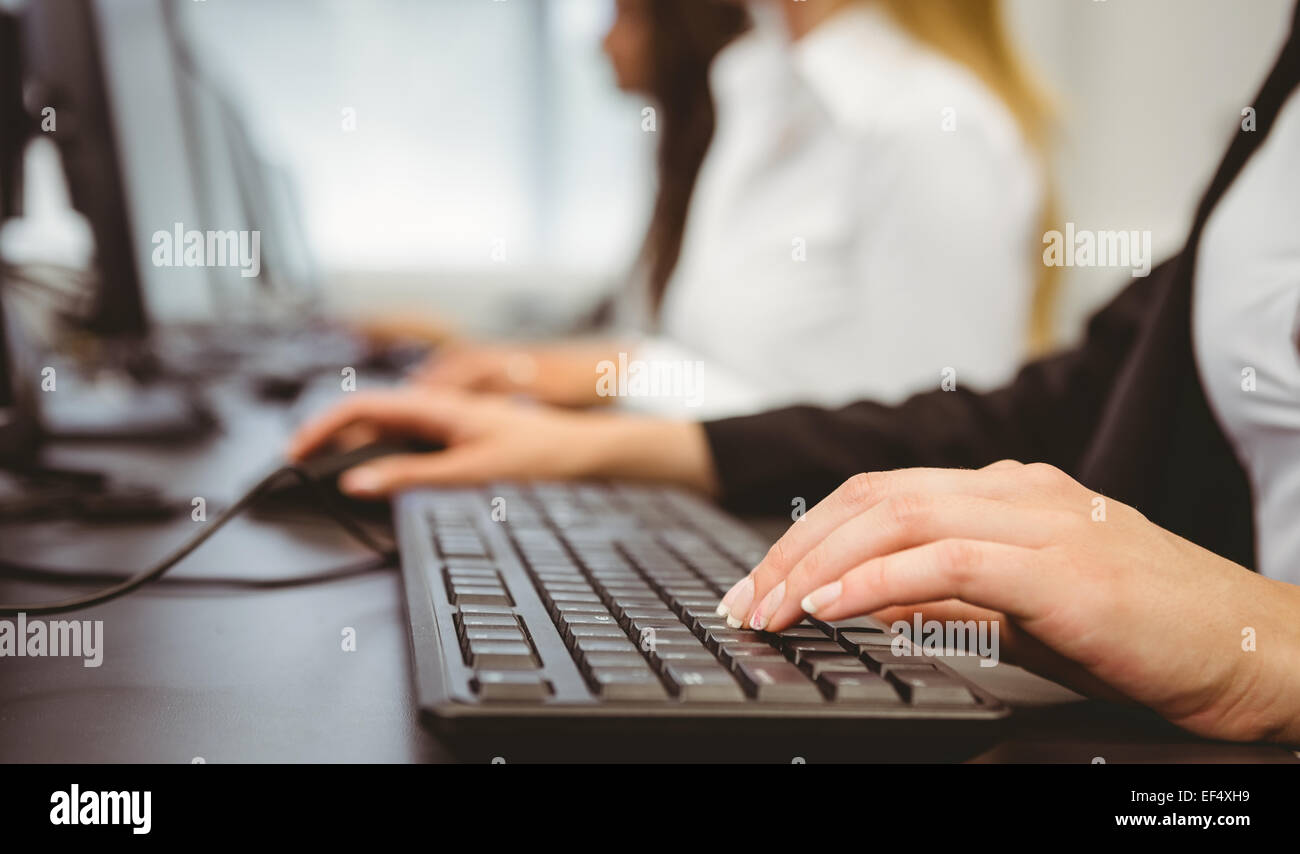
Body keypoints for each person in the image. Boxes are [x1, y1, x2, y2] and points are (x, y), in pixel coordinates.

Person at [290, 3, 1300, 744]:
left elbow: (954, 424)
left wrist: (1271, 637)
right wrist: (611, 436)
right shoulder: (755, 90)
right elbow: (1044, 404)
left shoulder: (924, 125)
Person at [417, 0, 1054, 418]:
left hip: (823, 595)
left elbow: (932, 458)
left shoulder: (924, 125)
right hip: (710, 533)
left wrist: (627, 374)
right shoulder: (755, 91)